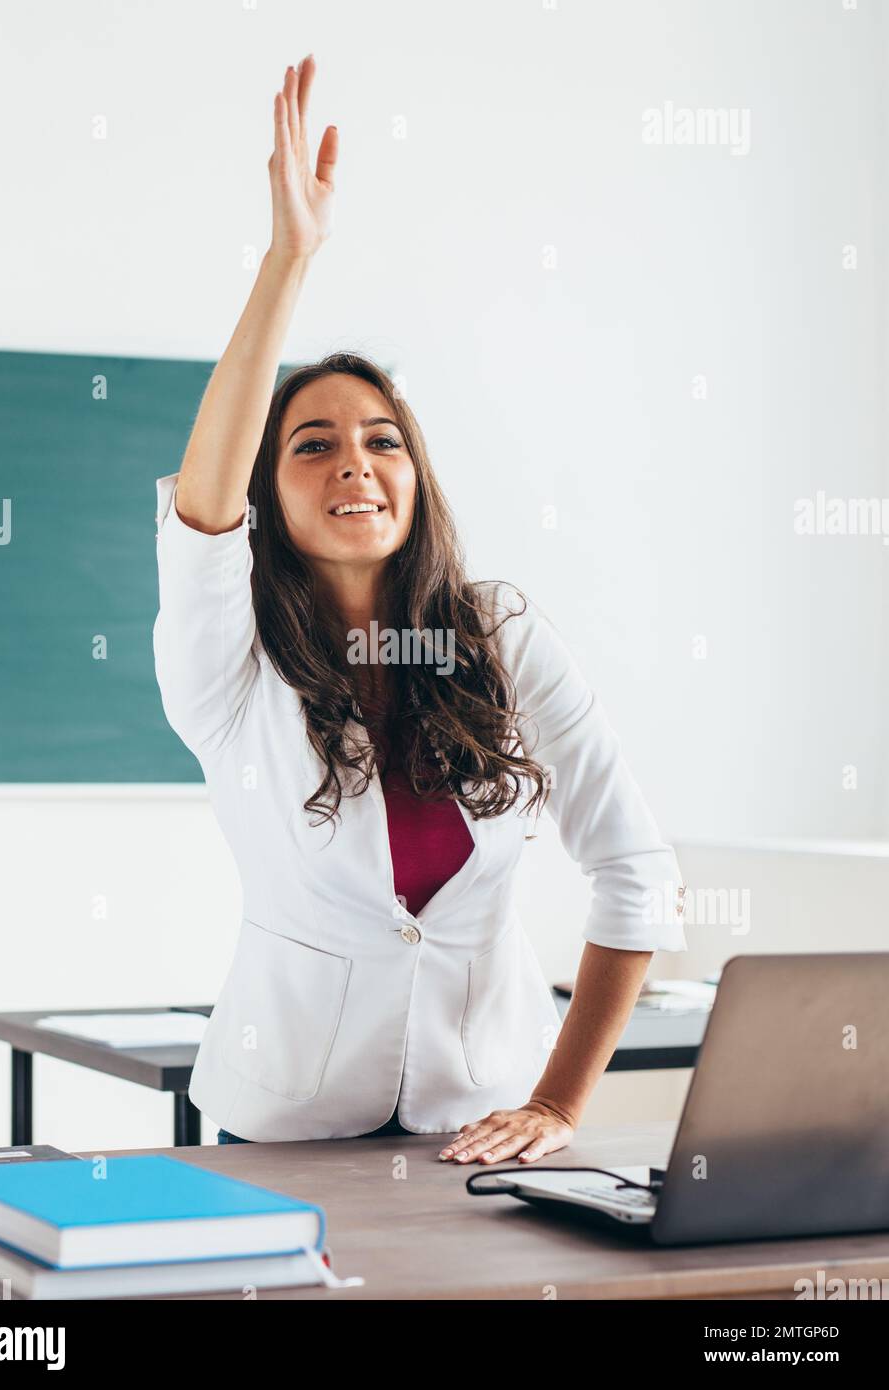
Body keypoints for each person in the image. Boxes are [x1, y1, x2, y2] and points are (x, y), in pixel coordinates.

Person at [153, 54, 686, 1166]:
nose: (356, 463)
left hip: (476, 1136)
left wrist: (559, 1102)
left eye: (381, 441)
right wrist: (290, 259)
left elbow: (635, 870)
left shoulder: (499, 637)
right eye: (314, 444)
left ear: (416, 477)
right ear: (269, 493)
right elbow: (200, 513)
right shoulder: (231, 661)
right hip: (283, 1128)